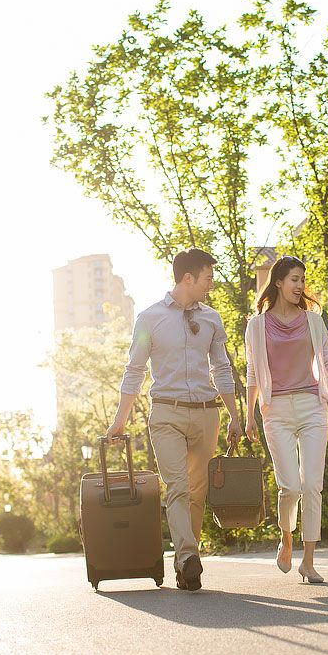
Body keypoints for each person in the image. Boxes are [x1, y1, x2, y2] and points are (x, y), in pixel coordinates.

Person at [107, 248, 241, 591]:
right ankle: (187, 555)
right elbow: (134, 370)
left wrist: (235, 416)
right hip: (166, 413)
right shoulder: (149, 319)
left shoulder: (212, 318)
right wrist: (120, 420)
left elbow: (221, 368)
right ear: (188, 278)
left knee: (198, 491)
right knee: (178, 487)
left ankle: (186, 565)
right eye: (208, 278)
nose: (211, 284)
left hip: (207, 413)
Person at [244, 256, 328, 584]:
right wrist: (249, 416)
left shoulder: (313, 321)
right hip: (276, 411)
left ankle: (308, 561)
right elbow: (252, 372)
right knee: (290, 486)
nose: (299, 286)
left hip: (312, 406)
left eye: (302, 280)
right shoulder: (257, 326)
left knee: (312, 485)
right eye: (293, 279)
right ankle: (286, 538)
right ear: (279, 282)